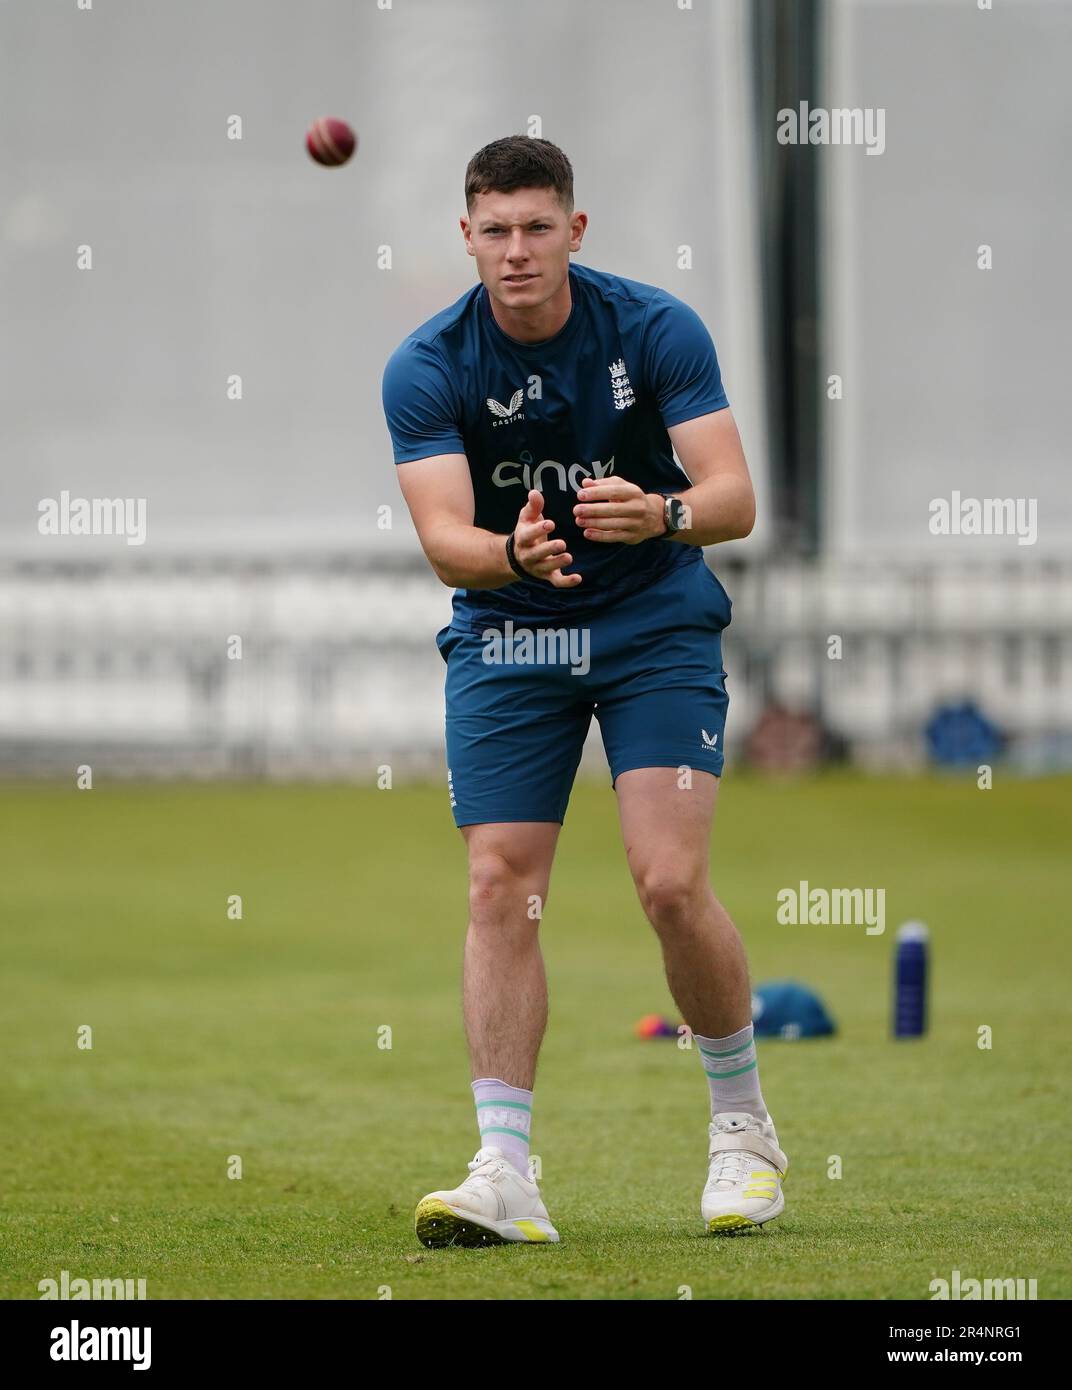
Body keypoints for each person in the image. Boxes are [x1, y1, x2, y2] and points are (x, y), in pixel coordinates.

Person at [381, 135, 787, 1246]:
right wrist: (511, 554)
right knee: (496, 883)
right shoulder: (426, 364)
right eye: (495, 231)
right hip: (513, 631)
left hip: (653, 622)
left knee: (666, 881)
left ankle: (743, 1130)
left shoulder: (655, 329)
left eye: (537, 227)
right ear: (467, 237)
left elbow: (734, 497)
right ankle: (504, 1170)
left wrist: (658, 514)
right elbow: (443, 542)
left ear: (575, 229)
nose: (517, 251)